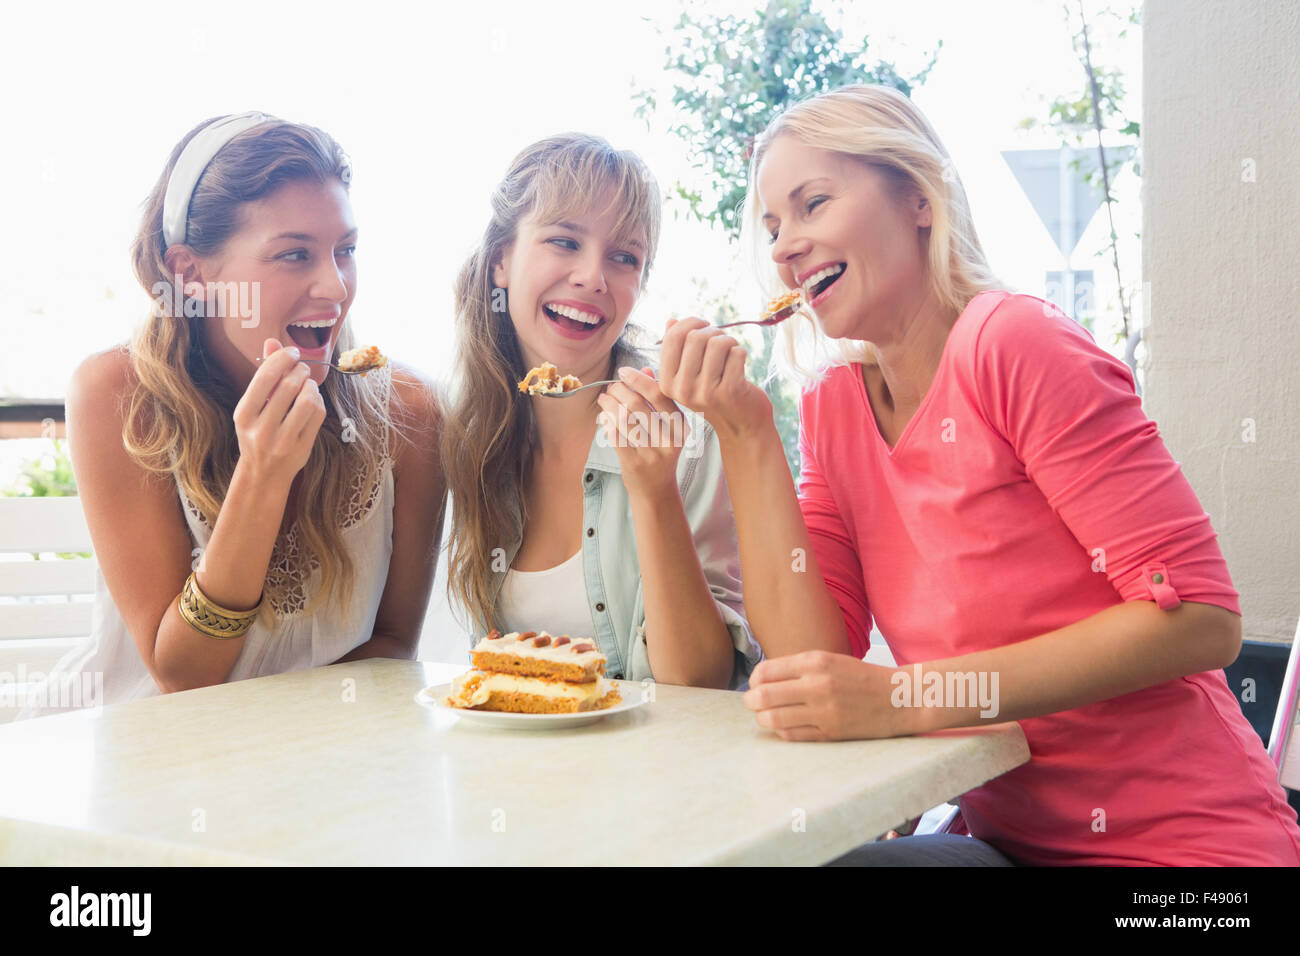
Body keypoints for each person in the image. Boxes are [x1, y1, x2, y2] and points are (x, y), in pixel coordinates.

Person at [655, 85, 1300, 865]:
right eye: (772, 226)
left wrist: (910, 697)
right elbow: (808, 655)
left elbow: (1201, 618)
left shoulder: (1014, 342)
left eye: (813, 203)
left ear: (918, 199)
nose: (785, 244)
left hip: (1188, 853)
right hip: (1008, 840)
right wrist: (745, 432)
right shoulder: (832, 407)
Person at [15, 113, 446, 720]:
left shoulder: (408, 412)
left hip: (321, 768)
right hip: (137, 763)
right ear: (191, 274)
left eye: (345, 251)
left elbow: (393, 651)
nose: (334, 287)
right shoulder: (118, 394)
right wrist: (263, 477)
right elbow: (184, 674)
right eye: (294, 255)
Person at [440, 133, 759, 689]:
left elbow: (701, 685)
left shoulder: (687, 435)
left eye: (624, 257)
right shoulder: (470, 437)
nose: (593, 277)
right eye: (564, 242)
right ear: (501, 261)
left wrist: (654, 490)